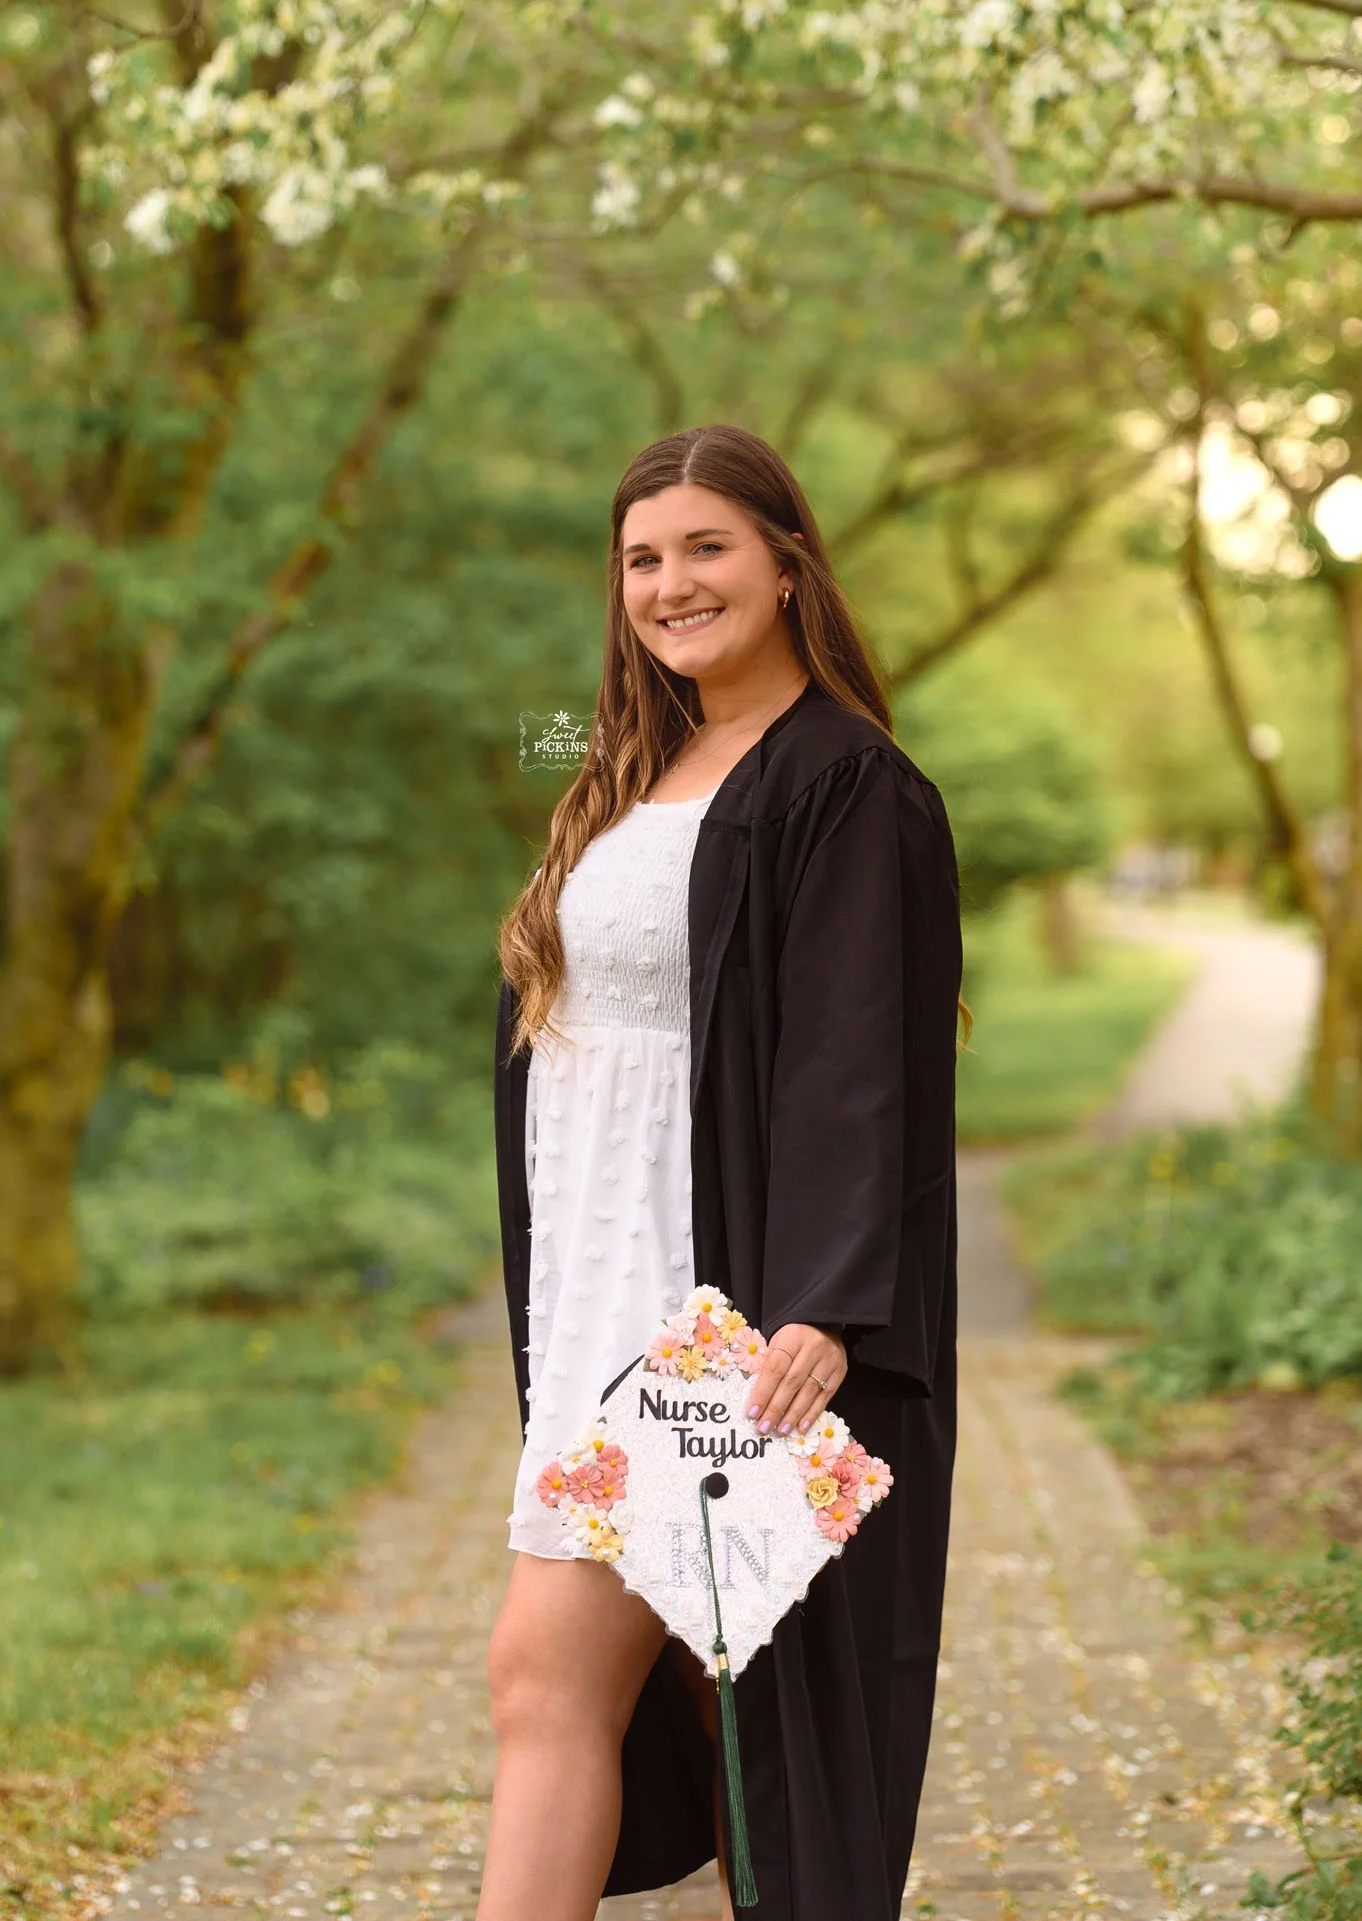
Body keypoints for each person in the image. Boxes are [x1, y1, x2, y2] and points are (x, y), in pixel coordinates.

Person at [486, 424, 964, 1921]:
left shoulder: (843, 783)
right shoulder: (637, 767)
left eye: (706, 547)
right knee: (708, 1706)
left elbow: (859, 1055)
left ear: (783, 562)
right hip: (599, 1302)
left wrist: (822, 1304)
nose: (671, 582)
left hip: (728, 1330)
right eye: (642, 556)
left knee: (562, 1679)